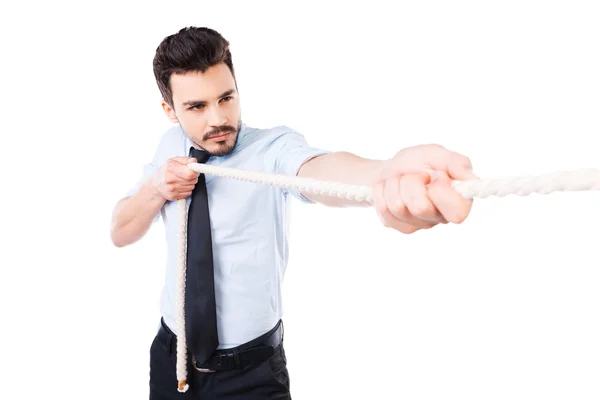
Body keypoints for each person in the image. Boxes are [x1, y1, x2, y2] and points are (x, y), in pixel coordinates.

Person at [110, 26, 478, 400]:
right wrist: (158, 188)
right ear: (170, 111)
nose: (218, 119)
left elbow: (317, 170)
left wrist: (382, 175)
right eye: (197, 107)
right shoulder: (169, 147)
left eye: (227, 98)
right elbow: (120, 232)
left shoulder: (272, 149)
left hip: (251, 375)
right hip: (172, 361)